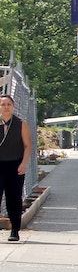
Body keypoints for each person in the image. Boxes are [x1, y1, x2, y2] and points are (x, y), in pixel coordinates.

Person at [0, 94, 33, 243]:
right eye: (3, 104)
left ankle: (15, 230)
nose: (6, 107)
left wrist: (24, 163)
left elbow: (27, 146)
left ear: (13, 107)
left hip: (15, 165)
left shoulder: (21, 123)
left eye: (8, 104)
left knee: (13, 198)